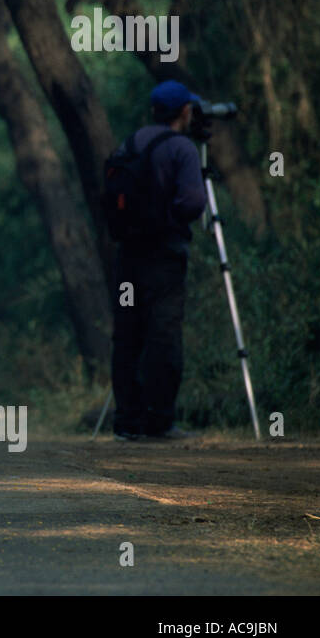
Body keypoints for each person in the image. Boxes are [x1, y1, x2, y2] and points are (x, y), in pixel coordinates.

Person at [111, 80, 207, 441]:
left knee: (127, 333)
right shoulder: (182, 148)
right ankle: (160, 420)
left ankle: (127, 420)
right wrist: (171, 215)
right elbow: (194, 202)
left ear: (153, 111)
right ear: (185, 111)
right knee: (163, 332)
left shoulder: (131, 142)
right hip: (164, 254)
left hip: (127, 255)